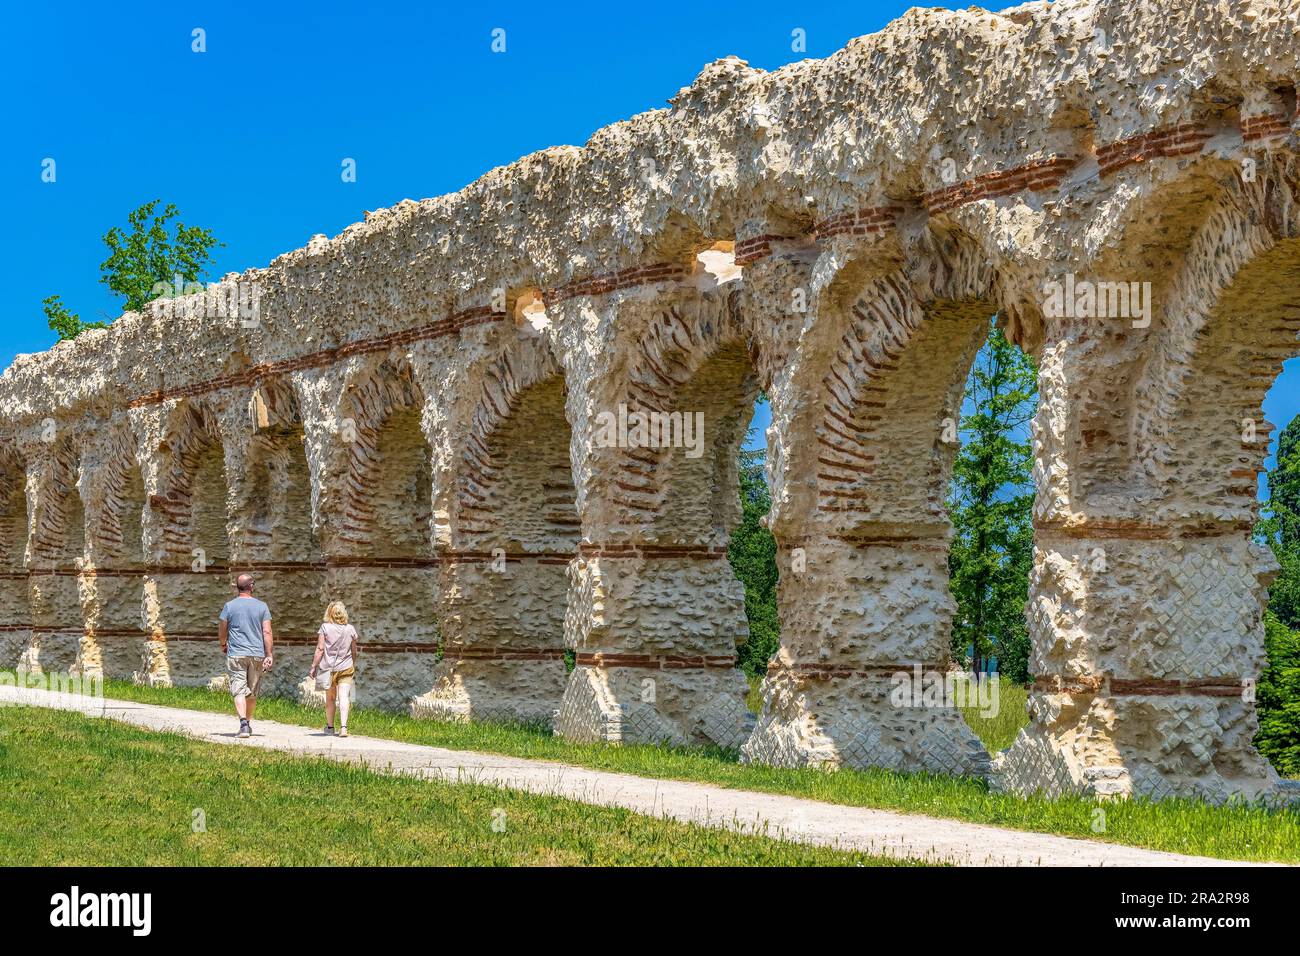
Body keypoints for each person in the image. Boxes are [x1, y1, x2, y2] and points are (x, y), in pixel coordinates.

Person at [217, 573, 274, 739]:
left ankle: (243, 723)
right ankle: (247, 723)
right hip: (257, 654)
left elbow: (222, 627)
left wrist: (223, 643)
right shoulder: (262, 606)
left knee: (239, 689)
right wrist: (269, 654)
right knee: (252, 692)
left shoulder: (229, 606)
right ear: (251, 586)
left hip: (236, 654)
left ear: (237, 587)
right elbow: (267, 631)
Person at [309, 601, 358, 737]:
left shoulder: (325, 627)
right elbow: (354, 651)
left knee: (330, 698)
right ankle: (343, 727)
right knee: (344, 697)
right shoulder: (351, 629)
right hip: (346, 667)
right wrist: (352, 663)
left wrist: (313, 666)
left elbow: (320, 649)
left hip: (328, 668)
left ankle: (330, 727)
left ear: (330, 613)